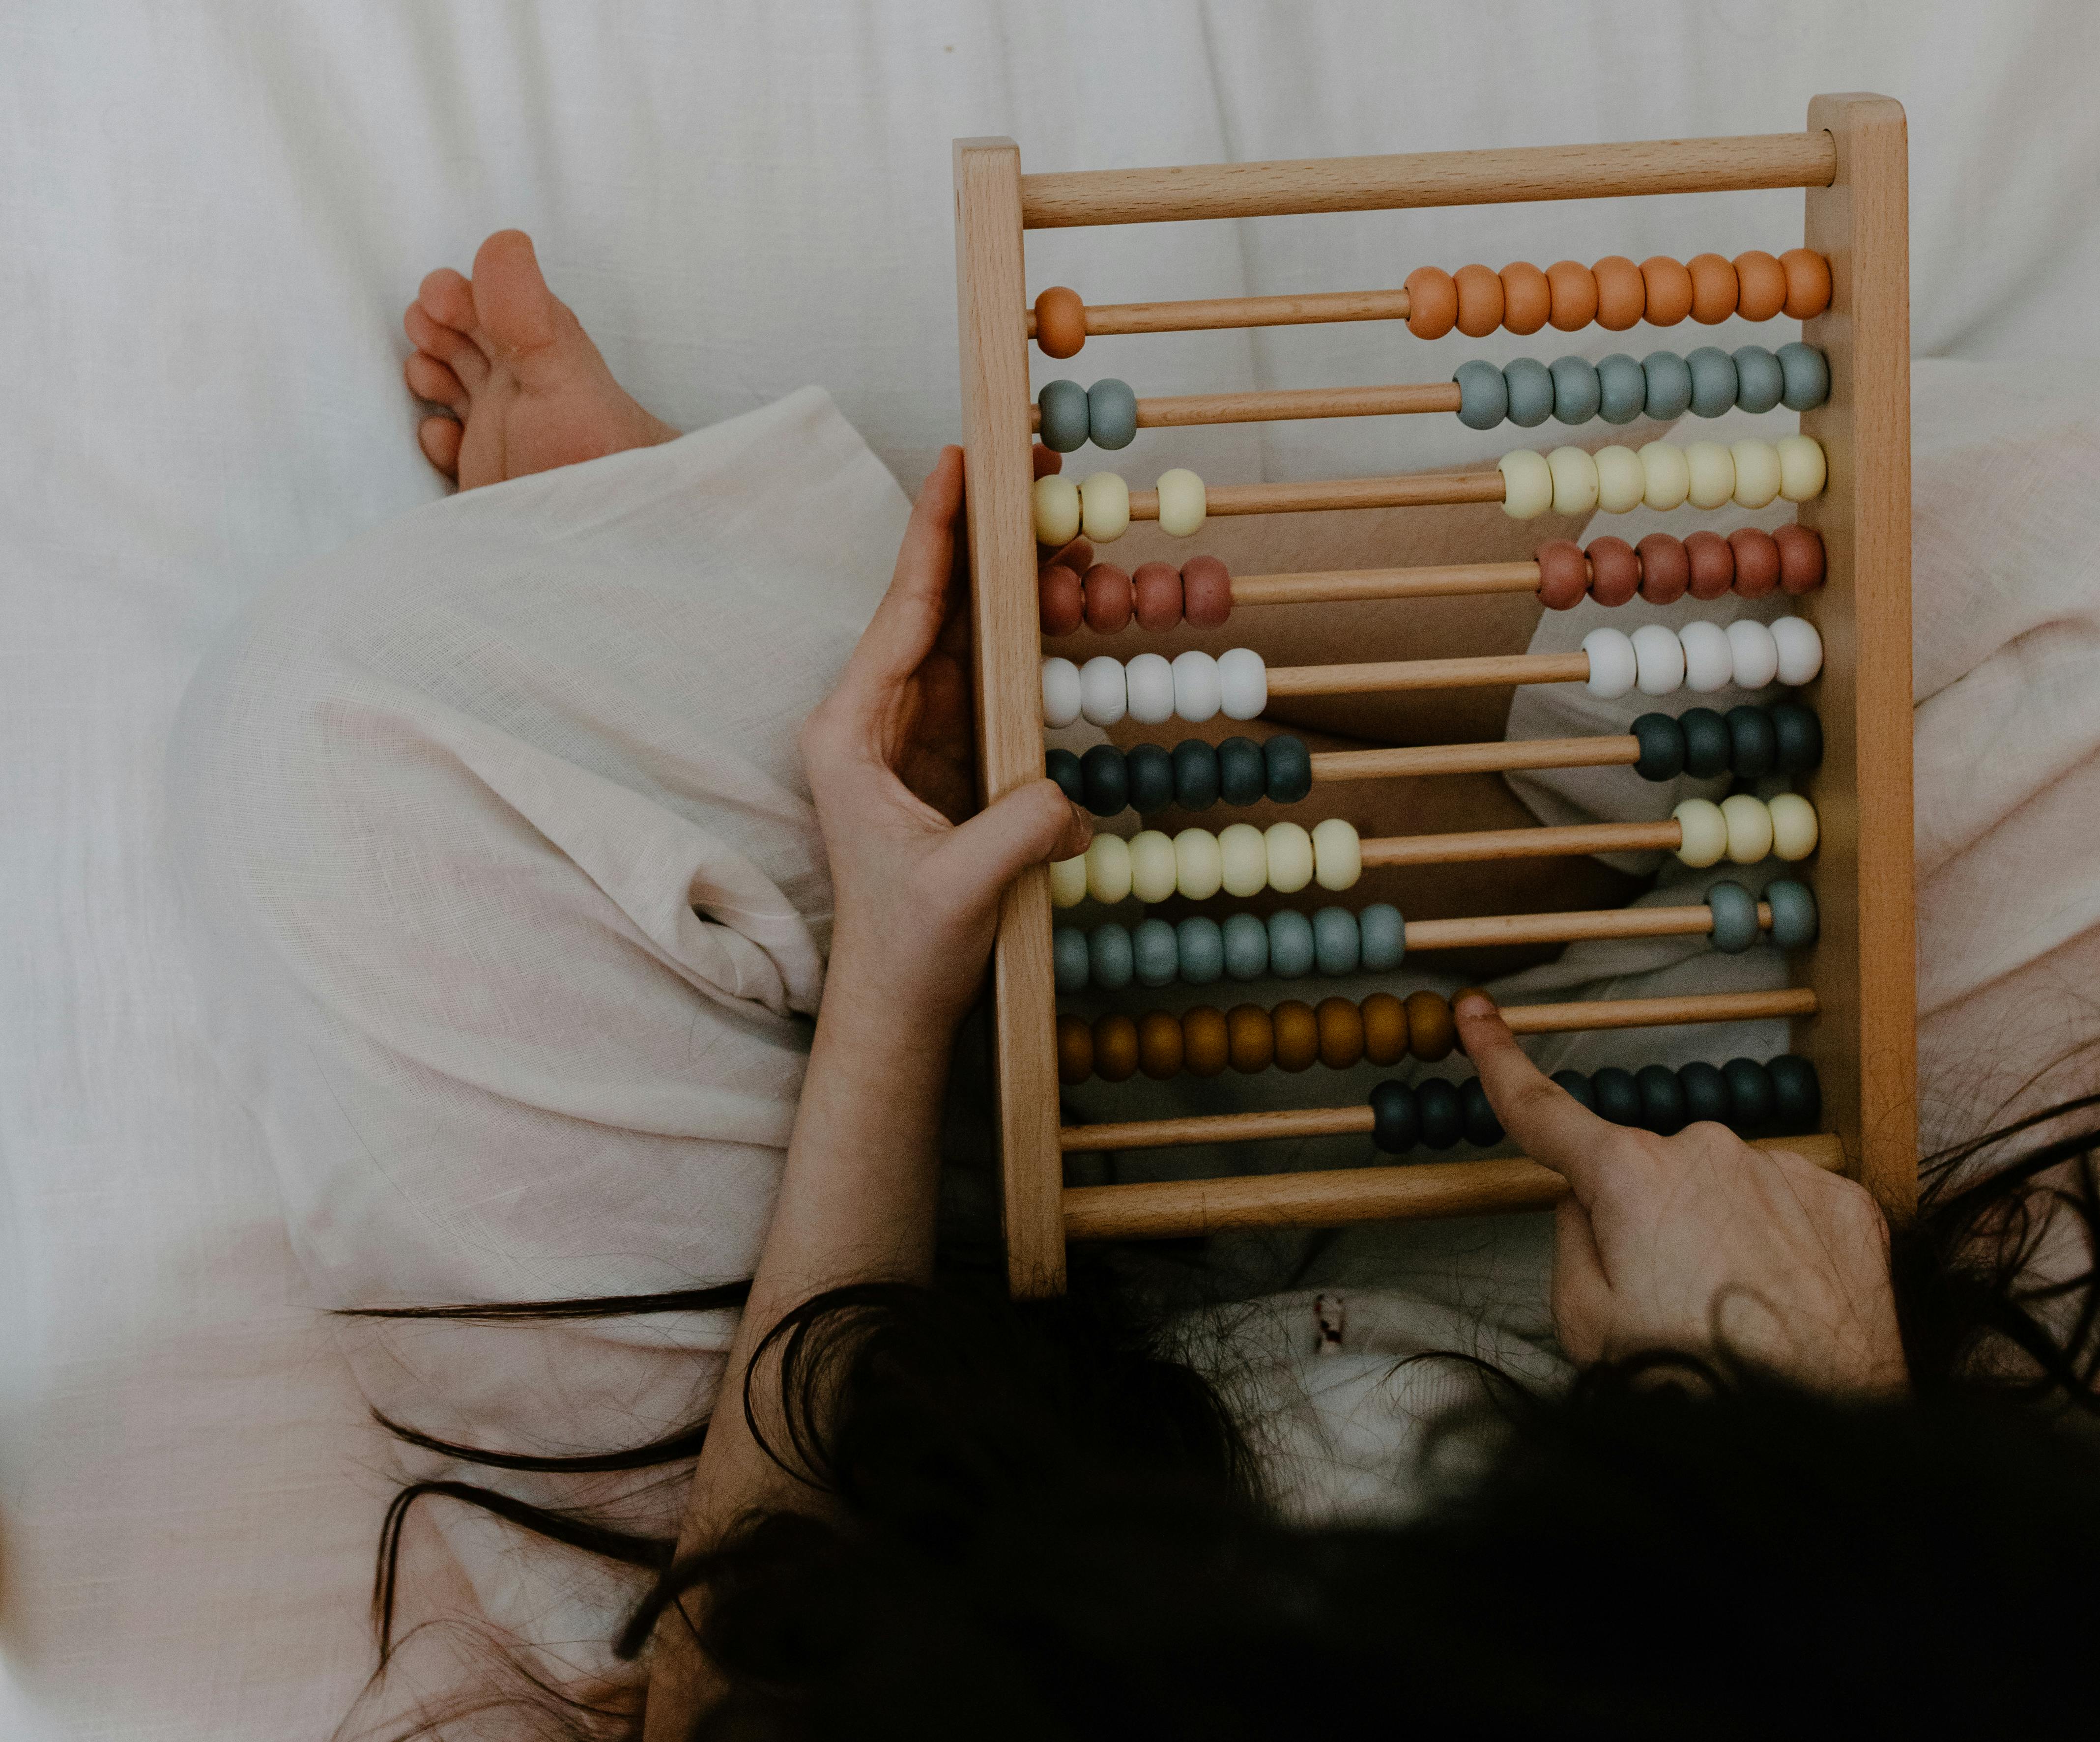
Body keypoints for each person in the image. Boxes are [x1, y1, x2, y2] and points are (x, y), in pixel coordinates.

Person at [173, 237, 2100, 1742]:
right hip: (1768, 1261)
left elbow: (742, 1687)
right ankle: (1247, 702)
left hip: (972, 1383)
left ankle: (999, 684)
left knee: (366, 729)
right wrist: (1799, 1419)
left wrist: (896, 993)